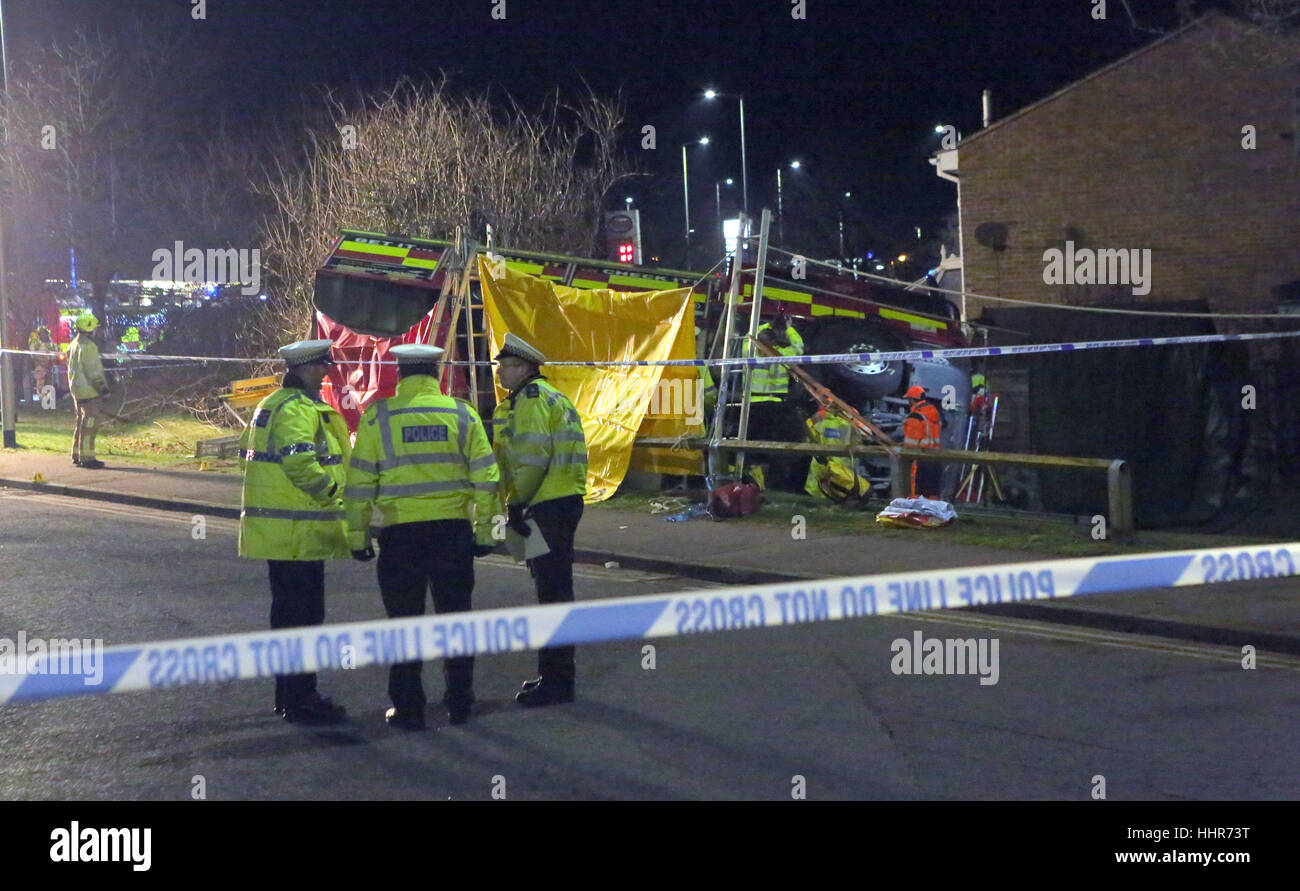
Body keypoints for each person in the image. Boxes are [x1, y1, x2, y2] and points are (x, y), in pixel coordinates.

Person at [344, 343, 500, 730]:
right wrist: (486, 532)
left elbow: (360, 482)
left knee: (404, 622)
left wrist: (357, 536)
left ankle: (409, 708)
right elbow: (487, 478)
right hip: (452, 532)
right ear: (436, 372)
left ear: (400, 373)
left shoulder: (379, 416)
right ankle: (460, 702)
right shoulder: (461, 414)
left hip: (401, 535)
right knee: (456, 620)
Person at [238, 339, 350, 725]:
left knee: (286, 616)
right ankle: (301, 698)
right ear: (303, 368)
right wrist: (334, 493)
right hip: (299, 530)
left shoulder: (269, 405)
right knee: (303, 617)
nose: (327, 371)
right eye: (321, 365)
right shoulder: (297, 409)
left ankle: (288, 695)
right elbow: (301, 462)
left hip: (281, 533)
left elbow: (245, 454)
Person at [492, 333, 587, 708]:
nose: (499, 371)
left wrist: (516, 504)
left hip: (543, 505)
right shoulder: (551, 397)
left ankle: (558, 682)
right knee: (552, 589)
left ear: (523, 367)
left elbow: (531, 460)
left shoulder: (531, 402)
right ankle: (554, 675)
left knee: (551, 594)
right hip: (559, 502)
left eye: (505, 365)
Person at [746, 314, 806, 491]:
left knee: (750, 446)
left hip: (753, 405)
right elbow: (799, 347)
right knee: (777, 449)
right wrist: (788, 327)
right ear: (774, 342)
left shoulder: (748, 351)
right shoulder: (783, 354)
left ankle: (750, 484)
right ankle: (775, 486)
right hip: (776, 406)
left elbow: (749, 337)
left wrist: (767, 325)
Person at [67, 313, 110, 469]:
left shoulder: (73, 344)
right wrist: (103, 389)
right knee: (90, 423)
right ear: (91, 328)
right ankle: (87, 458)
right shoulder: (89, 347)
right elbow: (93, 372)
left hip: (76, 390)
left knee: (80, 421)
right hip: (88, 391)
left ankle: (77, 454)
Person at [901, 384, 943, 498]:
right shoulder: (934, 414)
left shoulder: (916, 417)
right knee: (932, 494)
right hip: (936, 459)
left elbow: (911, 444)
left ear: (912, 400)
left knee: (917, 495)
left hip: (920, 460)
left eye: (909, 399)